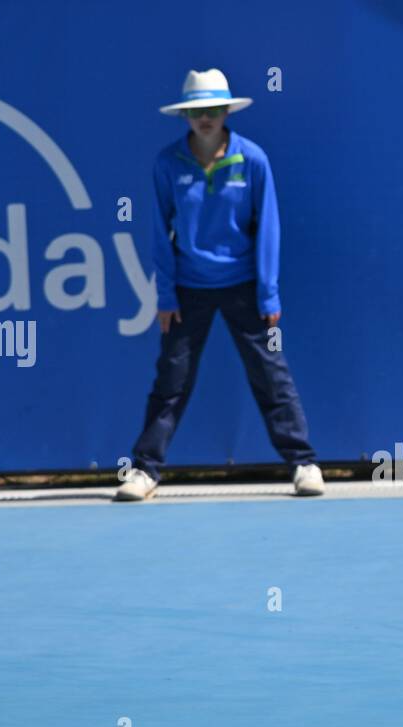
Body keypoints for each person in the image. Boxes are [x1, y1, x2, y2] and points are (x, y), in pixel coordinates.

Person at [116, 68, 323, 501]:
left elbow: (268, 228)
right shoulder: (167, 164)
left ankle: (303, 463)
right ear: (185, 116)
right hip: (188, 289)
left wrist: (268, 292)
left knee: (270, 375)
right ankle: (145, 470)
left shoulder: (253, 161)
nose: (205, 117)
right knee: (171, 380)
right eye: (196, 111)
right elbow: (159, 232)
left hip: (245, 286)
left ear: (227, 111)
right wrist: (166, 293)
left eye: (212, 109)